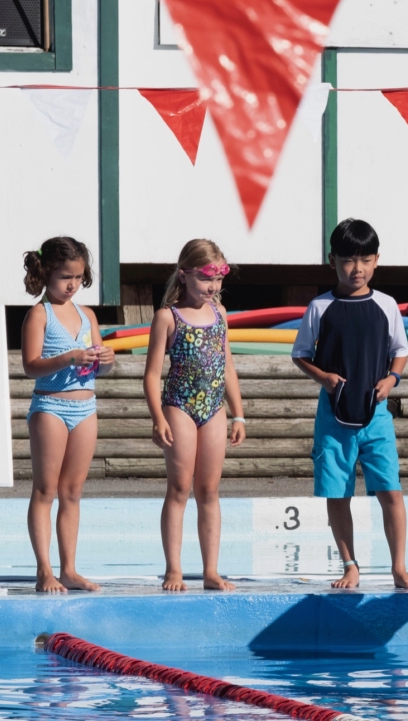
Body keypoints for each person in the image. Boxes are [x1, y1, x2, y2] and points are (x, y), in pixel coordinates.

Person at [292, 218, 408, 590]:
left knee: (390, 491)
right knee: (338, 493)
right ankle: (350, 564)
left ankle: (399, 566)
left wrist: (391, 379)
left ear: (377, 260)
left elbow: (400, 351)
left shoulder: (385, 306)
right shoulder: (320, 307)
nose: (357, 268)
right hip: (333, 418)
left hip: (375, 416)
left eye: (366, 259)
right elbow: (300, 354)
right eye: (349, 260)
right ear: (332, 261)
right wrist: (324, 378)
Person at [143, 239, 246, 592]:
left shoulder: (220, 313)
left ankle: (211, 570)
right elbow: (152, 374)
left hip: (214, 408)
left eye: (218, 279)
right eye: (206, 279)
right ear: (184, 275)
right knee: (179, 488)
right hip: (179, 407)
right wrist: (158, 417)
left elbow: (228, 367)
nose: (213, 287)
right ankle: (173, 569)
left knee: (209, 490)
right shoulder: (167, 317)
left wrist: (239, 415)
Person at [20, 237, 115, 593]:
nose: (72, 284)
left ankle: (69, 569)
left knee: (72, 491)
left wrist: (106, 361)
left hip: (85, 407)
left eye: (77, 276)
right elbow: (31, 366)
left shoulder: (86, 315)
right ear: (46, 274)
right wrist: (68, 358)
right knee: (45, 489)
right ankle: (44, 570)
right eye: (64, 277)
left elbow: (97, 367)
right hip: (51, 407)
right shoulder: (38, 314)